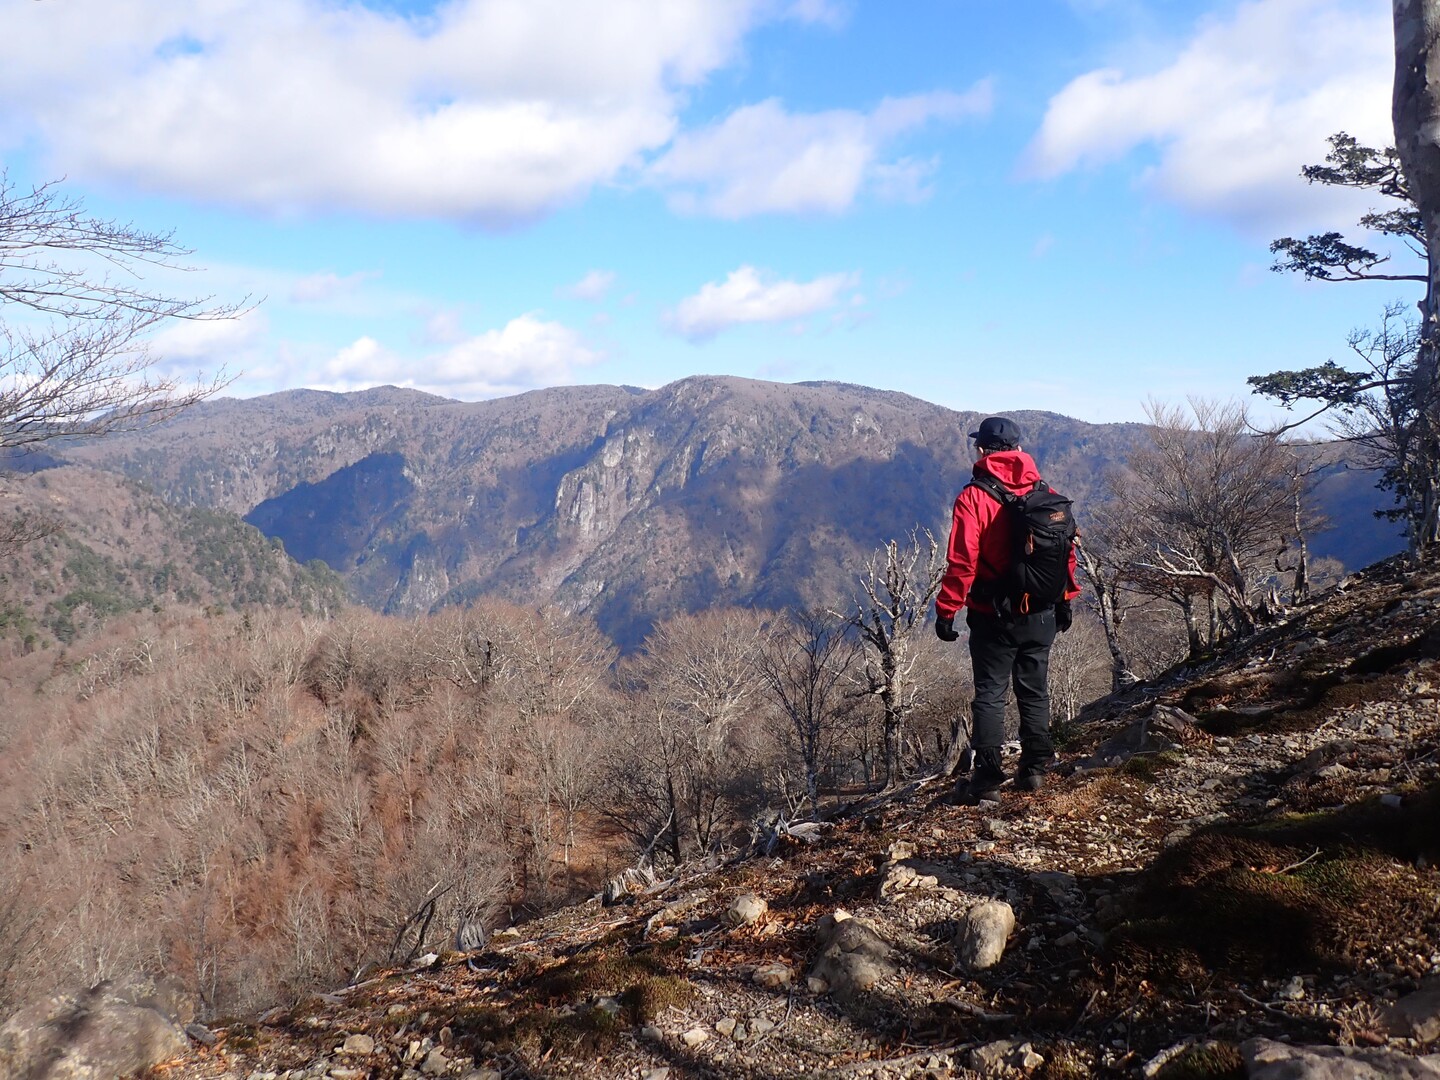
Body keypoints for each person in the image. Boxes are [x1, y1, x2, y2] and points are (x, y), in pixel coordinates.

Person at [934, 416, 1079, 804]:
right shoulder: (1046, 493)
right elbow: (1066, 552)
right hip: (1042, 611)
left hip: (992, 613)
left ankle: (987, 779)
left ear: (981, 450)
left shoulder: (974, 498)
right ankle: (1034, 768)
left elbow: (962, 562)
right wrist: (1066, 599)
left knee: (990, 693)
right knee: (1034, 690)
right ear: (1018, 449)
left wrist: (947, 610)